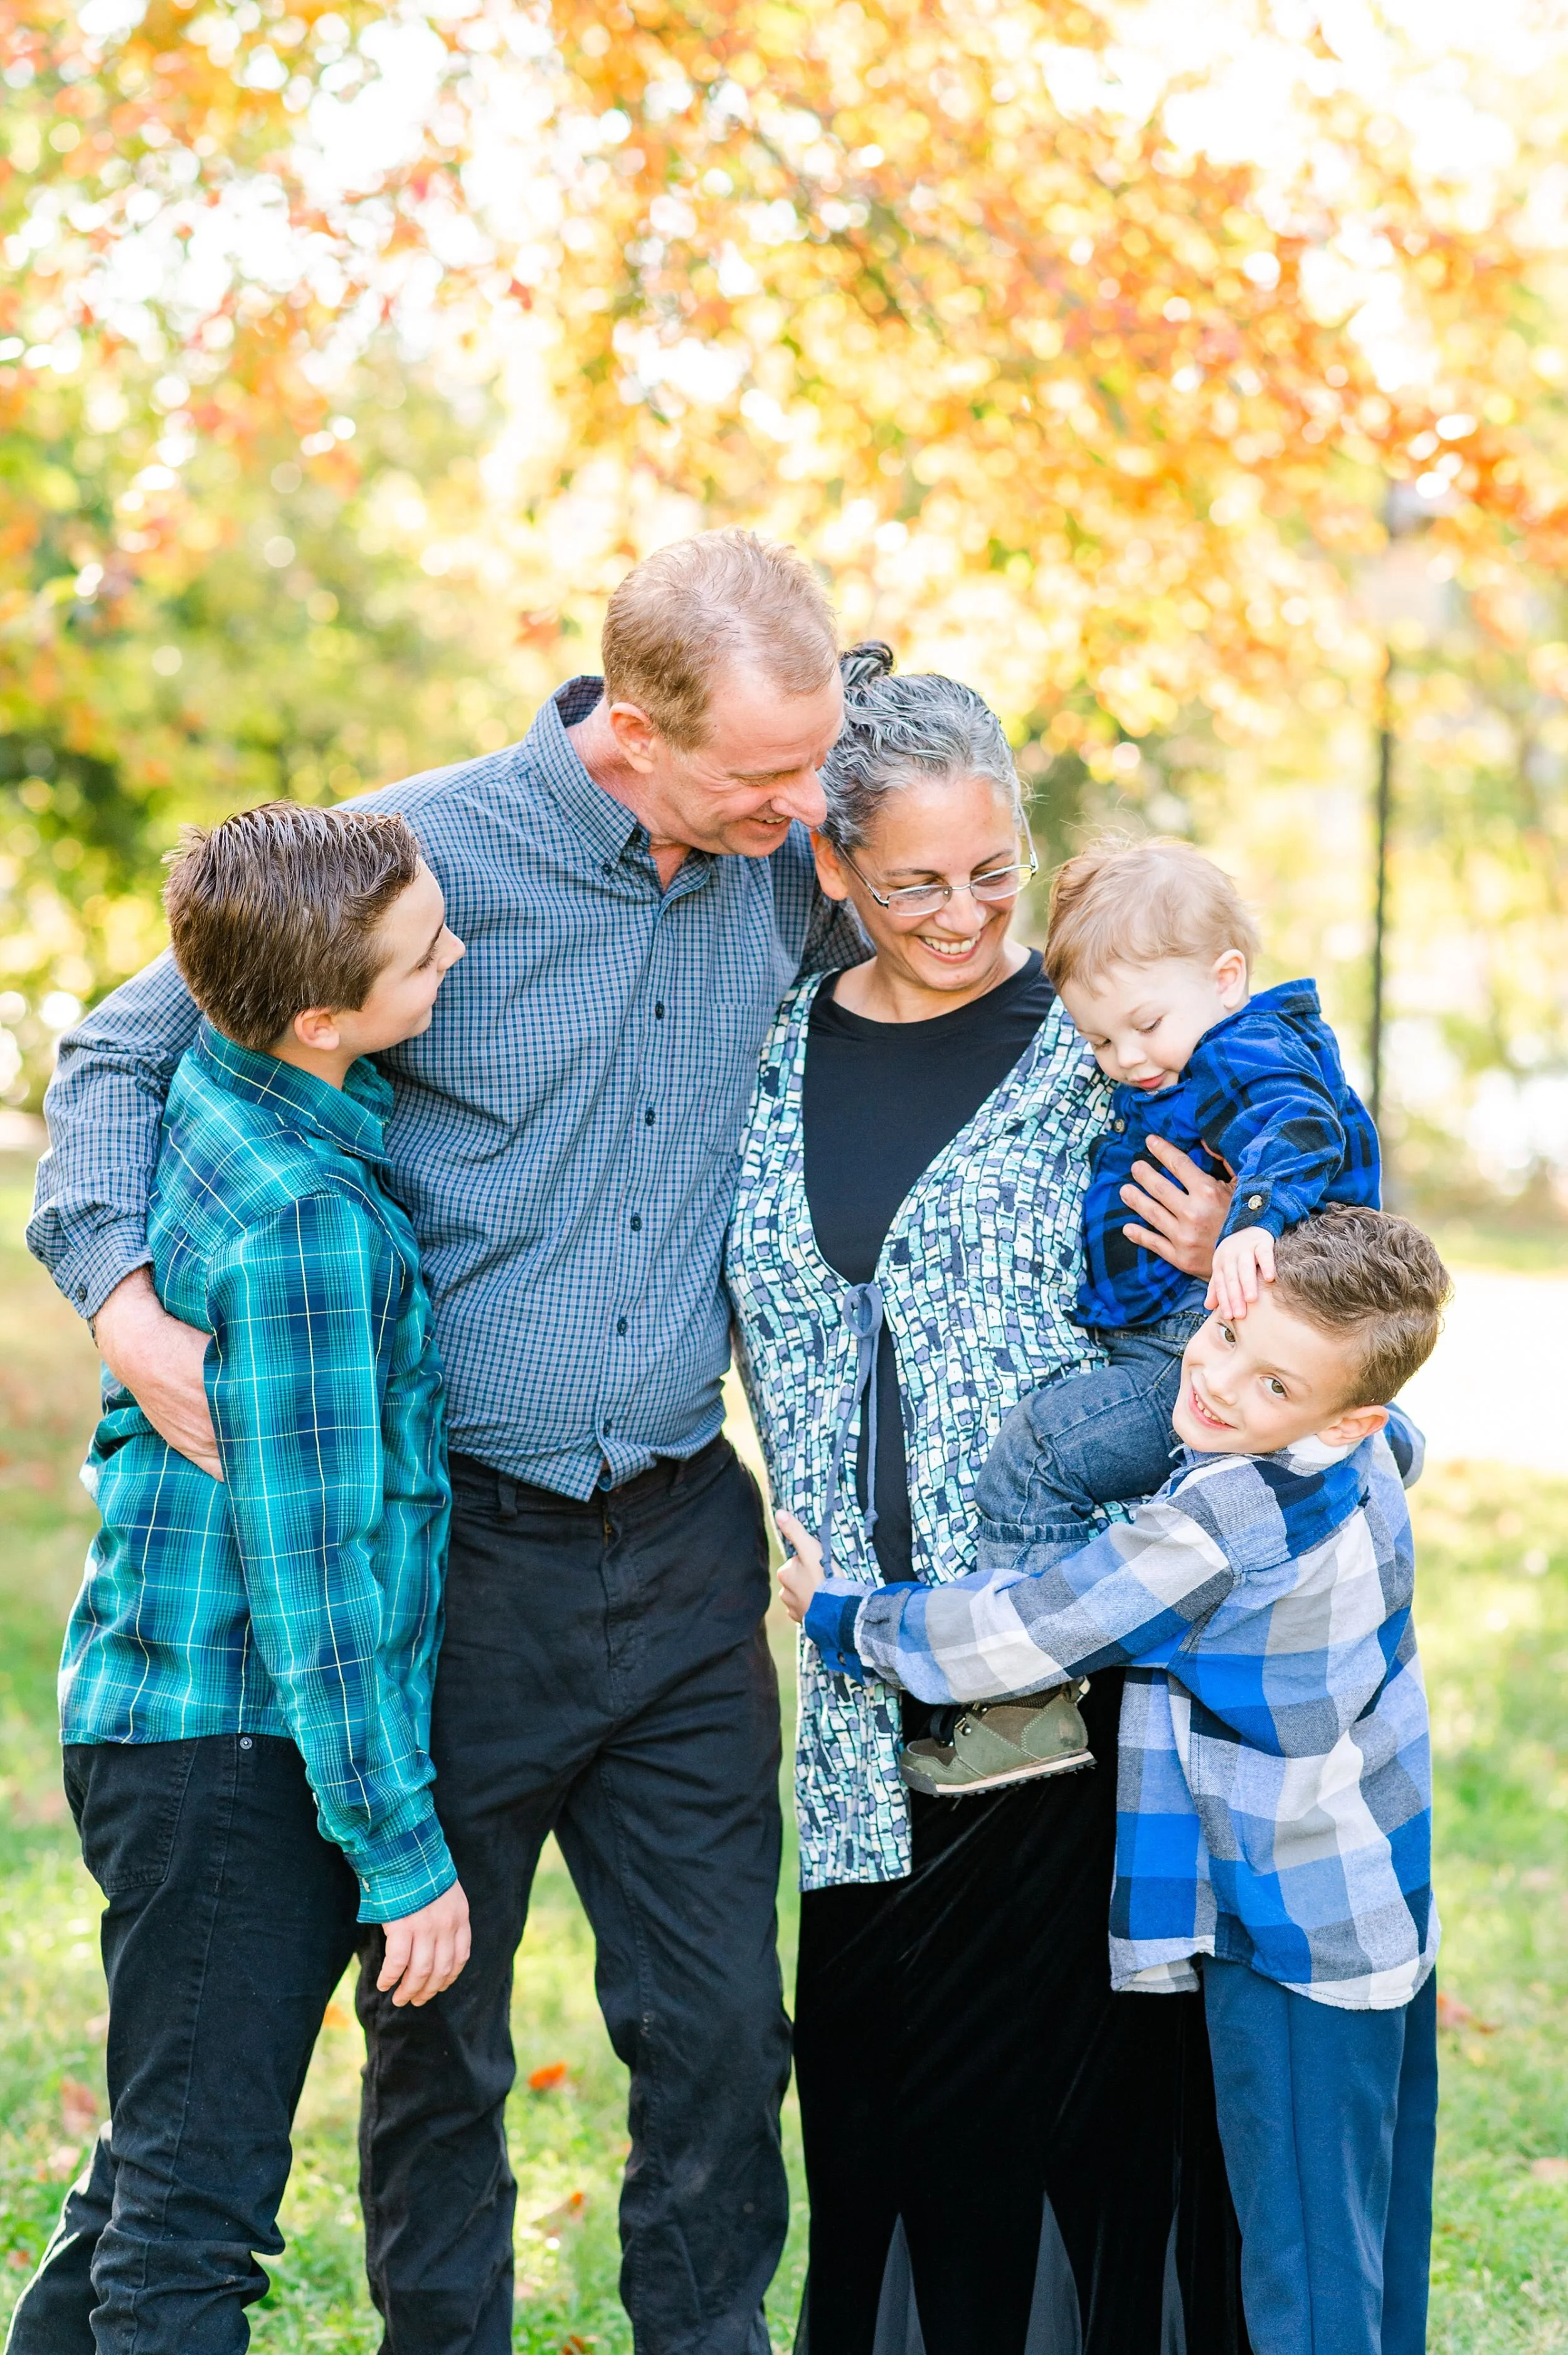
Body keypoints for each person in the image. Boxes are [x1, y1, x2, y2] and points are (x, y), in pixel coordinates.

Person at [27, 530, 862, 2355]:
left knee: (724, 2027)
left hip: (682, 1544)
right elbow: (115, 1050)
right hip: (452, 1556)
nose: (814, 809)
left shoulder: (787, 863)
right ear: (632, 731)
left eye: (819, 763)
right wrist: (118, 1298)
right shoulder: (409, 869)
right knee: (438, 2031)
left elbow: (991, 965)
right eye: (769, 774)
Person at [725, 644, 1248, 2354]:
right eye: (912, 884)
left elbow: (1294, 1314)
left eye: (990, 873)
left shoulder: (1116, 1049)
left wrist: (1227, 1255)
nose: (961, 917)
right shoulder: (767, 1055)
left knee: (1092, 2145)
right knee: (880, 2127)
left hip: (1086, 1703)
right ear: (831, 867)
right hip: (861, 1718)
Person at [780, 1204, 1449, 2355]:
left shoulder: (1222, 1525)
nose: (1222, 1378)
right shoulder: (1376, 1454)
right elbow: (1405, 1433)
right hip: (1386, 1913)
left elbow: (1029, 1631)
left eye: (1276, 1385)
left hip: (1290, 1942)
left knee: (1300, 2269)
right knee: (1369, 2230)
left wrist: (843, 1615)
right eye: (1229, 1329)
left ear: (1346, 1417)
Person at [11, 804, 470, 2354]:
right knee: (193, 2225)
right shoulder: (309, 1225)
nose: (456, 958)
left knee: (150, 2165)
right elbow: (319, 1585)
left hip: (160, 1711)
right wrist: (400, 1847)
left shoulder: (223, 1087)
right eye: (424, 957)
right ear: (324, 1015)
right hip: (234, 1750)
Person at [904, 835, 1381, 1796]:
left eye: (1143, 1025)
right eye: (1099, 1041)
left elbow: (1299, 1124)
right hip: (1185, 1338)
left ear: (1227, 976)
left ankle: (1022, 1701)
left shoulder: (1245, 1050)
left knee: (1040, 1448)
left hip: (1200, 1352)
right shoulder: (1192, 1049)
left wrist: (1250, 1226)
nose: (1126, 1059)